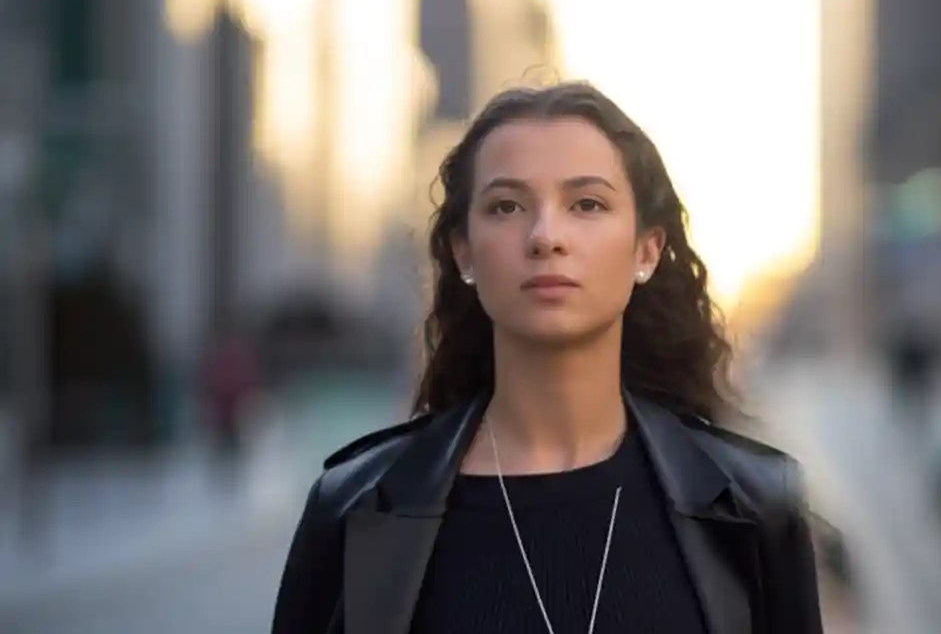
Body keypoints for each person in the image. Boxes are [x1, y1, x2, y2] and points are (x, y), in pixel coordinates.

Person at [271, 82, 824, 633]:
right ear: (463, 251)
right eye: (507, 206)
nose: (545, 236)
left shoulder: (753, 506)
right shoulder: (356, 506)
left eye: (587, 203)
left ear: (646, 251)